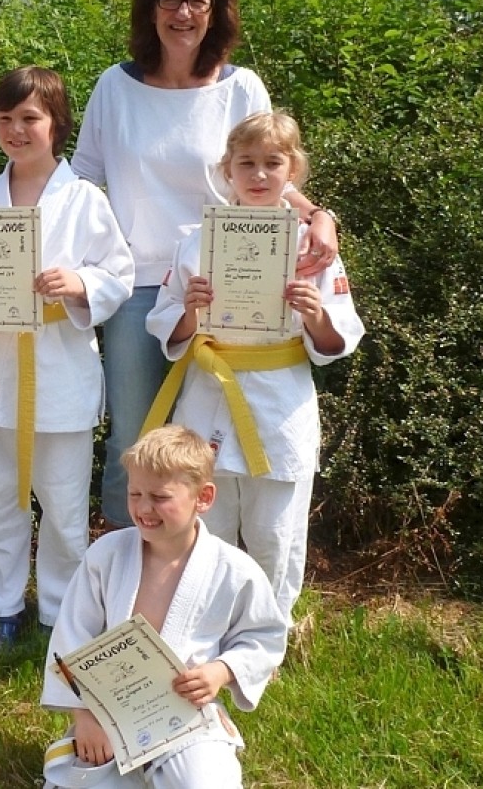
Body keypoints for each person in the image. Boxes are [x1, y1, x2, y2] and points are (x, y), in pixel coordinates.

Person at [0, 0, 338, 530]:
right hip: (136, 289)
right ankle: (123, 568)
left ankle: (200, 569)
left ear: (216, 12)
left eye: (196, 1)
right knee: (133, 438)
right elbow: (78, 176)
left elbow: (270, 168)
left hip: (225, 287)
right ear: (151, 9)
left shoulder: (242, 89)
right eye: (170, 0)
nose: (182, 13)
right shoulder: (117, 85)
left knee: (216, 440)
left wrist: (319, 215)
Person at [144, 111, 364, 624]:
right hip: (208, 394)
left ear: (294, 172)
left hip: (279, 401)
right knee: (208, 523)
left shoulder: (314, 245)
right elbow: (164, 324)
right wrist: (192, 312)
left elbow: (339, 338)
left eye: (272, 163)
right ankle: (207, 623)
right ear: (228, 170)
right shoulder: (197, 240)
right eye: (247, 163)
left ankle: (269, 632)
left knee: (274, 532)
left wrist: (315, 316)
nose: (259, 175)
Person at [0, 66, 133, 641]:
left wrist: (77, 284)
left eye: (30, 119)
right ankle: (1, 607)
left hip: (61, 371)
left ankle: (59, 610)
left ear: (58, 126)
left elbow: (117, 274)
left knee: (64, 504)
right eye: (6, 119)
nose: (17, 130)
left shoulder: (85, 200)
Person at [41, 425, 286, 789]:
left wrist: (221, 670)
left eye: (159, 496)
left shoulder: (234, 570)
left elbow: (263, 637)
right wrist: (84, 715)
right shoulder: (106, 556)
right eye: (135, 493)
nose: (143, 508)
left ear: (203, 497)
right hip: (110, 715)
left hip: (186, 718)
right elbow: (71, 639)